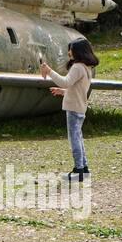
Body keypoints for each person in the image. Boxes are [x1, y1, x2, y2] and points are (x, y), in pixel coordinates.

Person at [39, 39, 99, 182]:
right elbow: (77, 88)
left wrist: (49, 71)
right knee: (78, 138)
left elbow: (65, 81)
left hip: (73, 108)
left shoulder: (77, 67)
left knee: (74, 140)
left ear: (77, 51)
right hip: (79, 106)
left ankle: (78, 170)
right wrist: (64, 92)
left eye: (71, 49)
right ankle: (84, 169)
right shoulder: (86, 67)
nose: (69, 52)